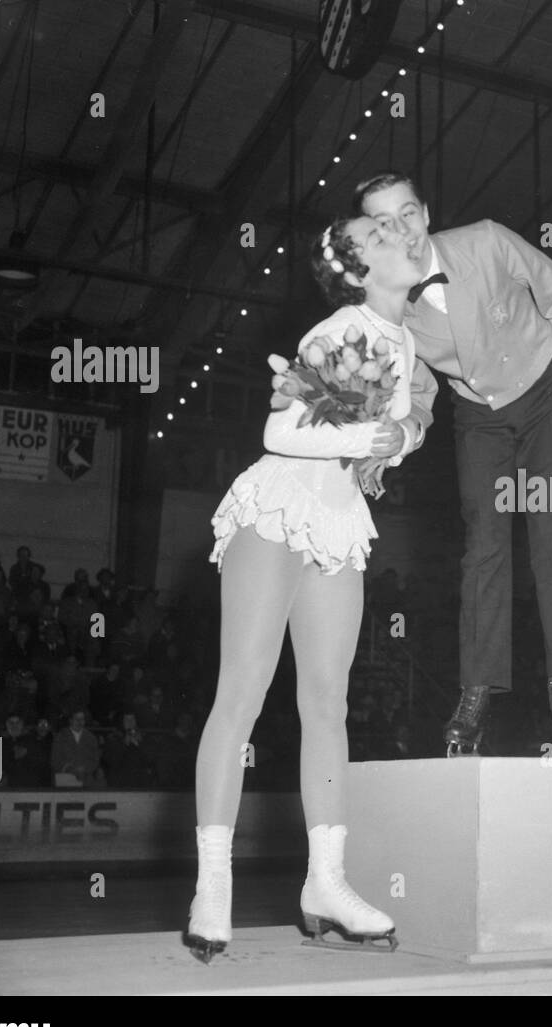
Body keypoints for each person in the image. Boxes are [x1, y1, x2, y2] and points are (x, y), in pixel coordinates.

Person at [186, 215, 437, 963]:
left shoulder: (406, 340)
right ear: (359, 271)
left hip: (337, 519)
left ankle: (325, 884)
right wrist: (367, 439)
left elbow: (376, 439)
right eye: (385, 235)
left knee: (328, 703)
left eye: (406, 227)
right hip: (279, 508)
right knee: (244, 693)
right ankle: (212, 887)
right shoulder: (339, 327)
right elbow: (282, 431)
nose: (406, 235)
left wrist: (390, 447)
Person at [357, 172, 552, 755]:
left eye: (408, 213)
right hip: (480, 415)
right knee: (483, 546)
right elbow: (417, 395)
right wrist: (397, 440)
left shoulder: (488, 241)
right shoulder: (386, 306)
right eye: (384, 224)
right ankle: (476, 692)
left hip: (547, 393)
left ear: (425, 211)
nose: (403, 231)